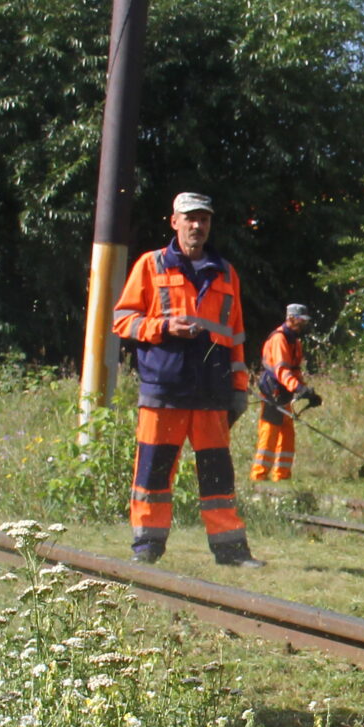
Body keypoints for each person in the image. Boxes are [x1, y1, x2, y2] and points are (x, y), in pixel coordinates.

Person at [111, 192, 259, 568]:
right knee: (153, 473)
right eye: (189, 218)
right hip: (164, 391)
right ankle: (146, 547)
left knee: (217, 478)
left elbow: (237, 337)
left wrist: (239, 390)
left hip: (212, 393)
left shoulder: (226, 273)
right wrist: (163, 326)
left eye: (203, 219)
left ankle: (231, 552)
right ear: (174, 222)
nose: (197, 225)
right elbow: (122, 319)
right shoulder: (150, 265)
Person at [251, 303, 318, 483]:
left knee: (287, 434)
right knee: (269, 433)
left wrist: (307, 391)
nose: (304, 324)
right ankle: (259, 476)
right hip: (273, 392)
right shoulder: (279, 339)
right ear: (291, 318)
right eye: (301, 320)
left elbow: (294, 370)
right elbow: (282, 371)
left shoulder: (295, 341)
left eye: (305, 321)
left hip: (285, 392)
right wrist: (297, 388)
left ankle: (281, 477)